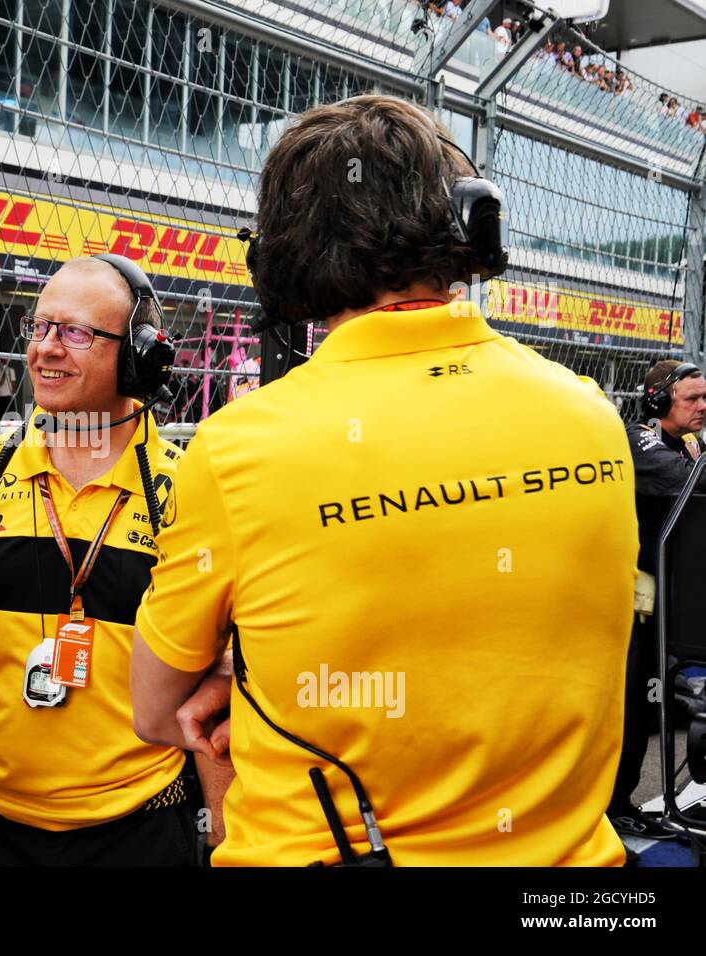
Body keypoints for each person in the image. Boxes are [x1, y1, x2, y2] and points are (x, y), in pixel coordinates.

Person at [130, 95, 636, 867]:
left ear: (279, 258)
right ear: (470, 226)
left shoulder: (241, 448)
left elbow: (157, 709)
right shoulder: (592, 415)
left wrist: (265, 685)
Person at [0, 256, 225, 867]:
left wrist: (223, 837)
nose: (46, 350)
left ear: (140, 357)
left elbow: (214, 677)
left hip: (140, 834)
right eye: (39, 327)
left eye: (76, 332)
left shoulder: (188, 494)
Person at [611, 360, 706, 841]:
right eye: (692, 399)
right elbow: (689, 482)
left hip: (670, 596)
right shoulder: (639, 438)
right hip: (632, 600)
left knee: (650, 704)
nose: (702, 407)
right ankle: (613, 806)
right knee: (630, 706)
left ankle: (625, 800)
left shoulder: (692, 444)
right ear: (657, 400)